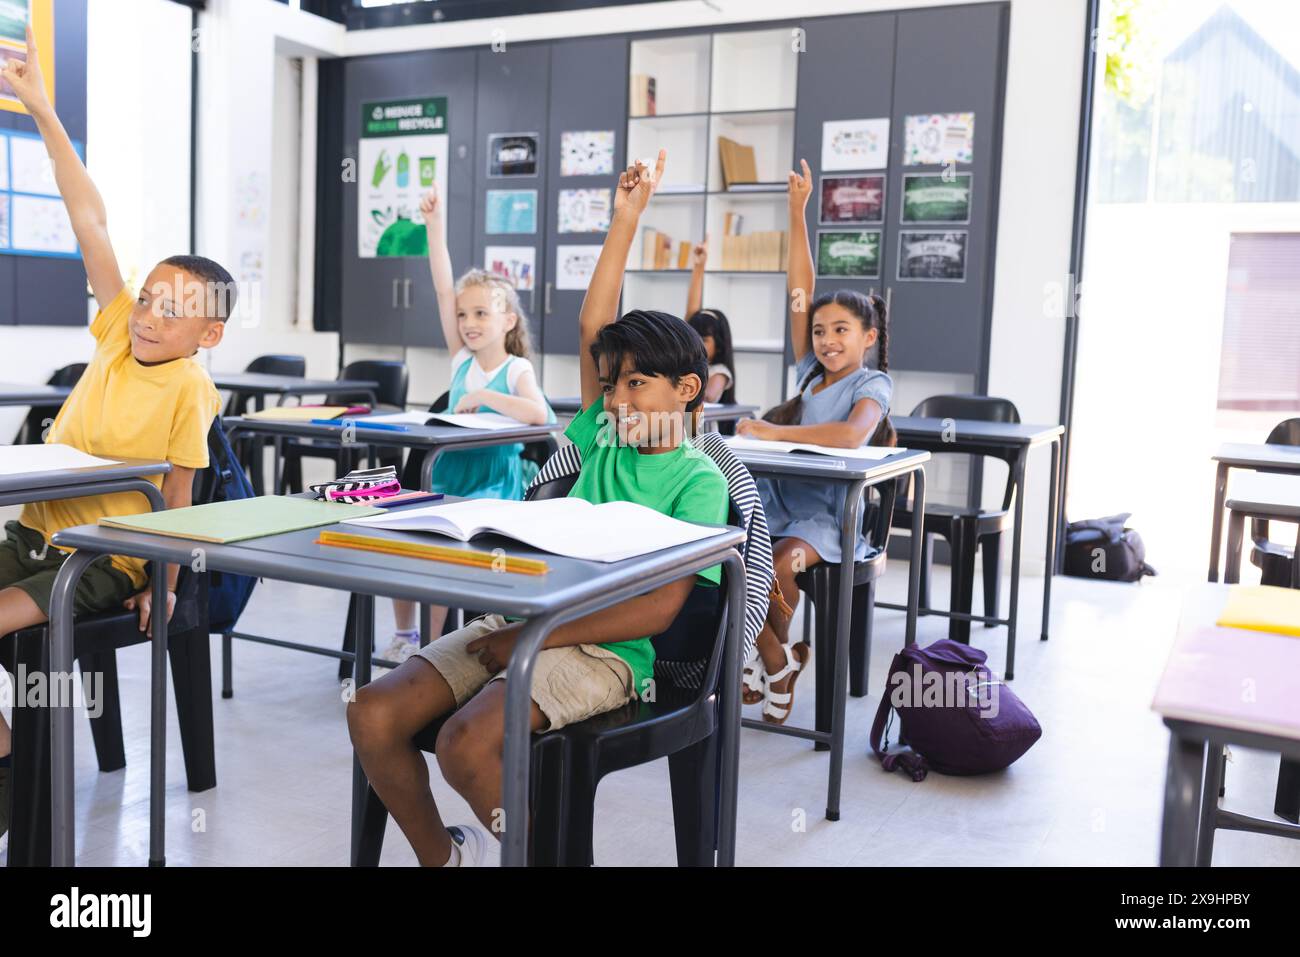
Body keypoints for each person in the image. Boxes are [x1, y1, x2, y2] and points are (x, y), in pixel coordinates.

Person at [346, 149, 731, 866]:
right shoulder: (603, 434)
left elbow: (656, 612)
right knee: (371, 711)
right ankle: (446, 857)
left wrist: (531, 643)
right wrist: (624, 219)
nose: (617, 399)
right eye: (612, 385)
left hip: (607, 650)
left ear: (689, 390)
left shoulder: (699, 480)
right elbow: (595, 324)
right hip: (524, 621)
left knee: (466, 743)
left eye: (638, 384)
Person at [0, 29, 230, 841]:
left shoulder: (189, 387)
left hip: (101, 557)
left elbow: (178, 492)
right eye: (148, 298)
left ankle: (10, 783)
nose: (150, 314)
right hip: (33, 530)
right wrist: (41, 109)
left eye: (176, 309)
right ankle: (4, 752)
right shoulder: (111, 333)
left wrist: (162, 585)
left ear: (208, 336)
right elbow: (87, 215)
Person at [735, 159, 893, 725]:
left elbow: (852, 437)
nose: (826, 340)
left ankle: (769, 659)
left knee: (778, 566)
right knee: (730, 560)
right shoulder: (808, 373)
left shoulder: (872, 383)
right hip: (771, 505)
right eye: (821, 331)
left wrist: (775, 430)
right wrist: (795, 214)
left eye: (841, 331)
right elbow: (799, 293)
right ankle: (777, 660)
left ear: (868, 337)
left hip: (825, 518)